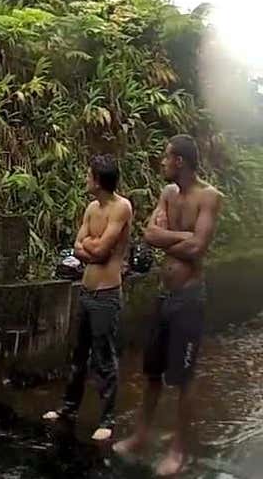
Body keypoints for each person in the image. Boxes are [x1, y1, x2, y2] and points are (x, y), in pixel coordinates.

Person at [114, 134, 223, 476]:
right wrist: (184, 237)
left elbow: (197, 250)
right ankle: (141, 435)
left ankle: (179, 450)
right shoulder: (167, 193)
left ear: (180, 162)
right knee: (151, 373)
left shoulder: (209, 197)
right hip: (164, 295)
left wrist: (174, 240)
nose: (161, 163)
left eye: (165, 157)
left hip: (189, 298)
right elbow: (149, 235)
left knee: (184, 379)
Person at [42, 154, 133, 441]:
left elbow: (101, 251)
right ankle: (69, 408)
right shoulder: (92, 208)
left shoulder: (121, 208)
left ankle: (107, 419)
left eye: (88, 175)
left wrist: (89, 246)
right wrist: (90, 247)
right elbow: (77, 246)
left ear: (98, 180)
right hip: (86, 290)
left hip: (107, 293)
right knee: (78, 355)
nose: (85, 179)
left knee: (104, 357)